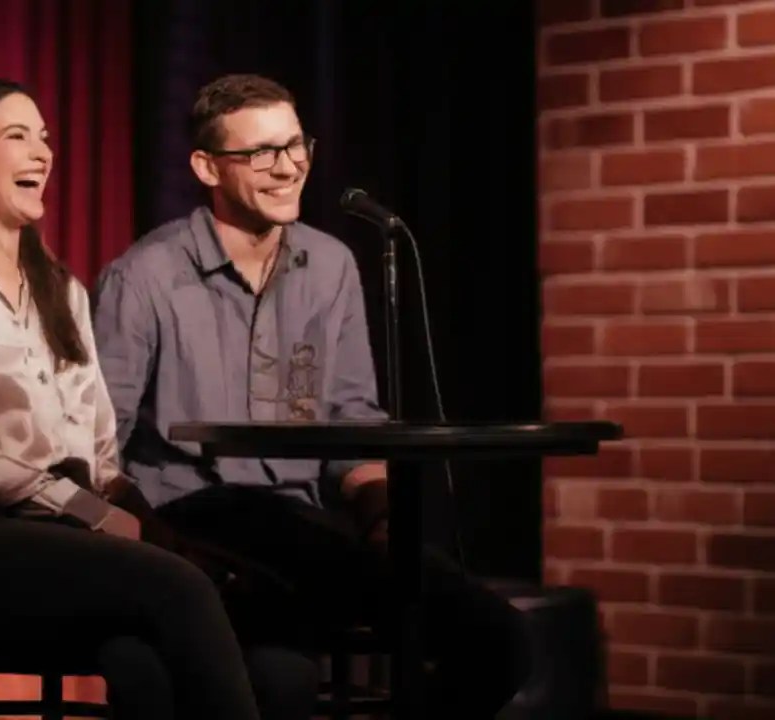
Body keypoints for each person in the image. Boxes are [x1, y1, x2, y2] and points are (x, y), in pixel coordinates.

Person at [92, 73, 533, 718]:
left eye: (296, 146)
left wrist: (383, 521)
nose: (288, 167)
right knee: (277, 676)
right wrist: (163, 548)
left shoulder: (330, 267)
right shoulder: (144, 278)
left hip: (305, 530)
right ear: (206, 167)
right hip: (197, 524)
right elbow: (100, 444)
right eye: (261, 153)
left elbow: (353, 423)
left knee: (500, 642)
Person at [0, 77, 263, 720]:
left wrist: (143, 520)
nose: (42, 153)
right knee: (177, 587)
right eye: (16, 136)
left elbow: (99, 453)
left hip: (62, 541)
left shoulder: (62, 290)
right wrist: (98, 518)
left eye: (46, 138)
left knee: (142, 657)